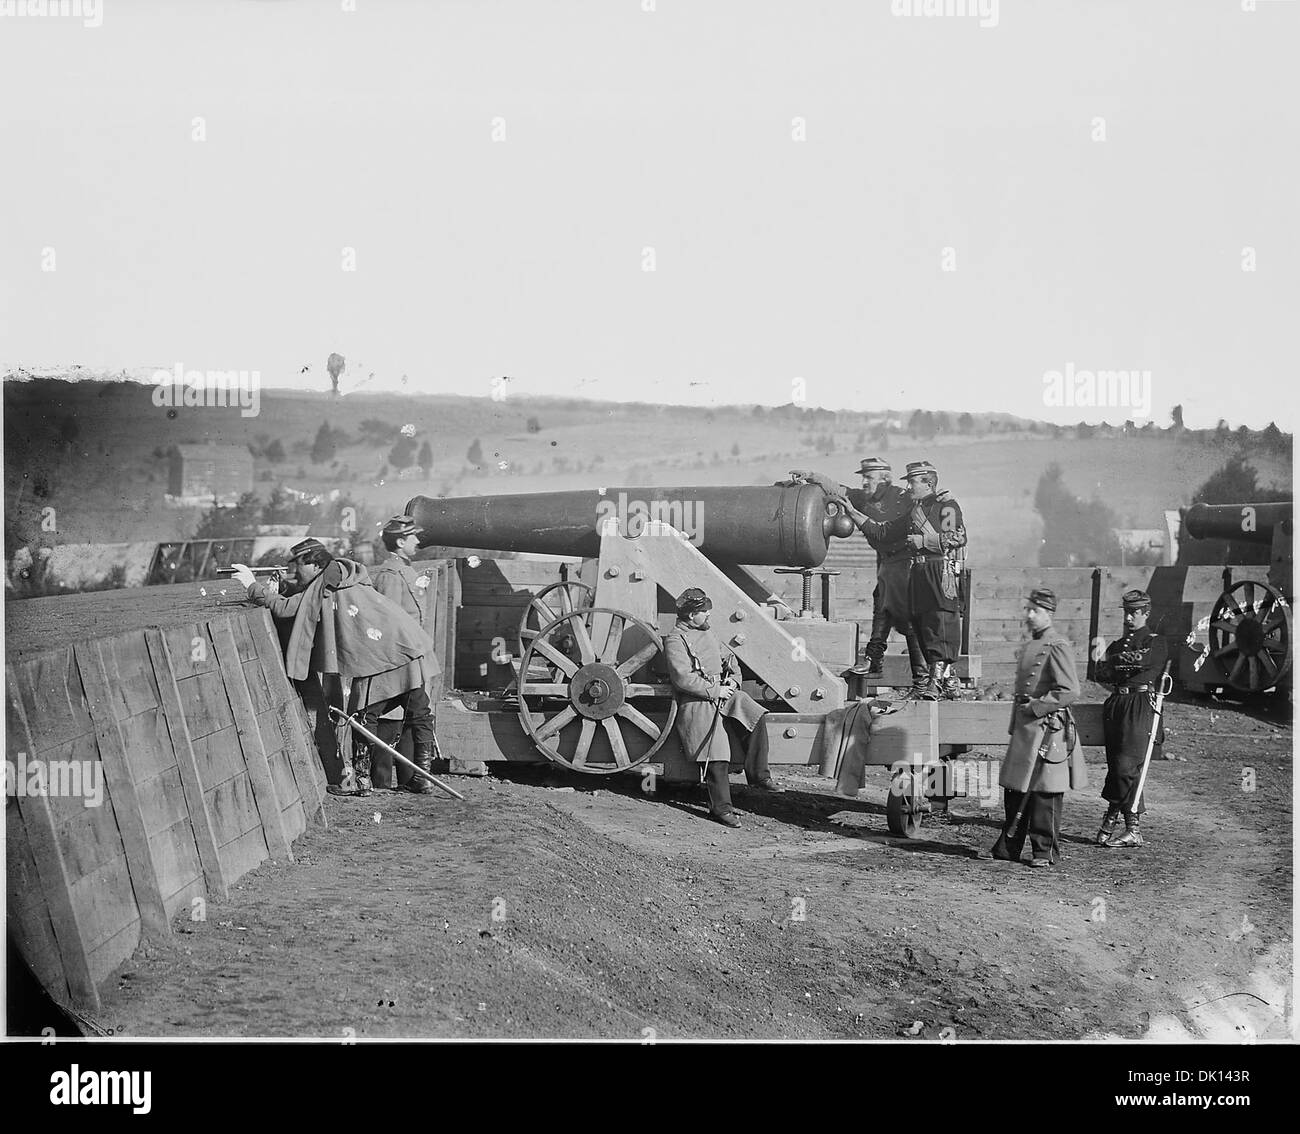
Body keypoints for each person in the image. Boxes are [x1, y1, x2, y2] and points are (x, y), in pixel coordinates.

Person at [232, 539, 435, 797]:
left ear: (316, 565)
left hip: (380, 655)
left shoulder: (325, 582)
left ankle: (361, 782)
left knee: (363, 717)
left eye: (297, 566)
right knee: (419, 712)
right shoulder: (344, 573)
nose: (294, 571)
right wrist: (286, 585)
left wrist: (252, 585)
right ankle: (422, 778)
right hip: (405, 643)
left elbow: (287, 609)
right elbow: (311, 598)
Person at [663, 587, 782, 828]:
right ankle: (721, 809)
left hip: (723, 693)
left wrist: (732, 681)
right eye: (704, 612)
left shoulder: (707, 632)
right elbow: (683, 678)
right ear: (690, 615)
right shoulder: (676, 639)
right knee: (716, 753)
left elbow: (730, 660)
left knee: (754, 714)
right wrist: (715, 691)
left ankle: (759, 775)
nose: (708, 615)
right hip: (697, 701)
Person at [851, 460, 968, 700]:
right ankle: (944, 682)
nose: (909, 487)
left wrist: (923, 542)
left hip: (940, 571)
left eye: (913, 482)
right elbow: (883, 532)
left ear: (929, 483)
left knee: (939, 623)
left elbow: (957, 537)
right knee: (922, 625)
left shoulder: (946, 506)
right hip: (917, 574)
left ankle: (936, 684)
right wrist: (853, 513)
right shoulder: (913, 512)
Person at [817, 458, 928, 696]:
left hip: (907, 561)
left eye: (870, 477)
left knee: (906, 619)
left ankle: (920, 679)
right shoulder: (863, 499)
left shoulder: (904, 497)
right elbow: (837, 488)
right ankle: (874, 660)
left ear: (885, 480)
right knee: (881, 603)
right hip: (887, 561)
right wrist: (811, 476)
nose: (864, 482)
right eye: (863, 477)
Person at [995, 587, 1087, 867]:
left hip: (1047, 728)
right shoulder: (1030, 646)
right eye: (1028, 609)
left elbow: (1070, 690)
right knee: (1015, 789)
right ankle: (1008, 848)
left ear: (1049, 614)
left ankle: (1043, 851)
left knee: (1045, 792)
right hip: (1026, 729)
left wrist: (1037, 707)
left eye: (1035, 611)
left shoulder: (1056, 645)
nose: (1029, 615)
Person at [1090, 589, 1168, 849]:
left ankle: (1111, 818)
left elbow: (1141, 664)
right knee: (1120, 768)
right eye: (1126, 611)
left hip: (1140, 705)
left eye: (1134, 612)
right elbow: (1100, 672)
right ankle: (1132, 829)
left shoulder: (1156, 642)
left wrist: (1116, 662)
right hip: (1117, 706)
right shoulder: (1117, 644)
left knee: (1126, 767)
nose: (1129, 617)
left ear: (1146, 613)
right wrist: (1116, 662)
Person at [369, 515, 439, 794]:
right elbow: (388, 623)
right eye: (413, 538)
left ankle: (414, 779)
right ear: (400, 542)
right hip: (397, 662)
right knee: (378, 715)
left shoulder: (404, 571)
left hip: (409, 660)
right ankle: (393, 779)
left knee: (417, 713)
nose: (418, 542)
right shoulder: (390, 575)